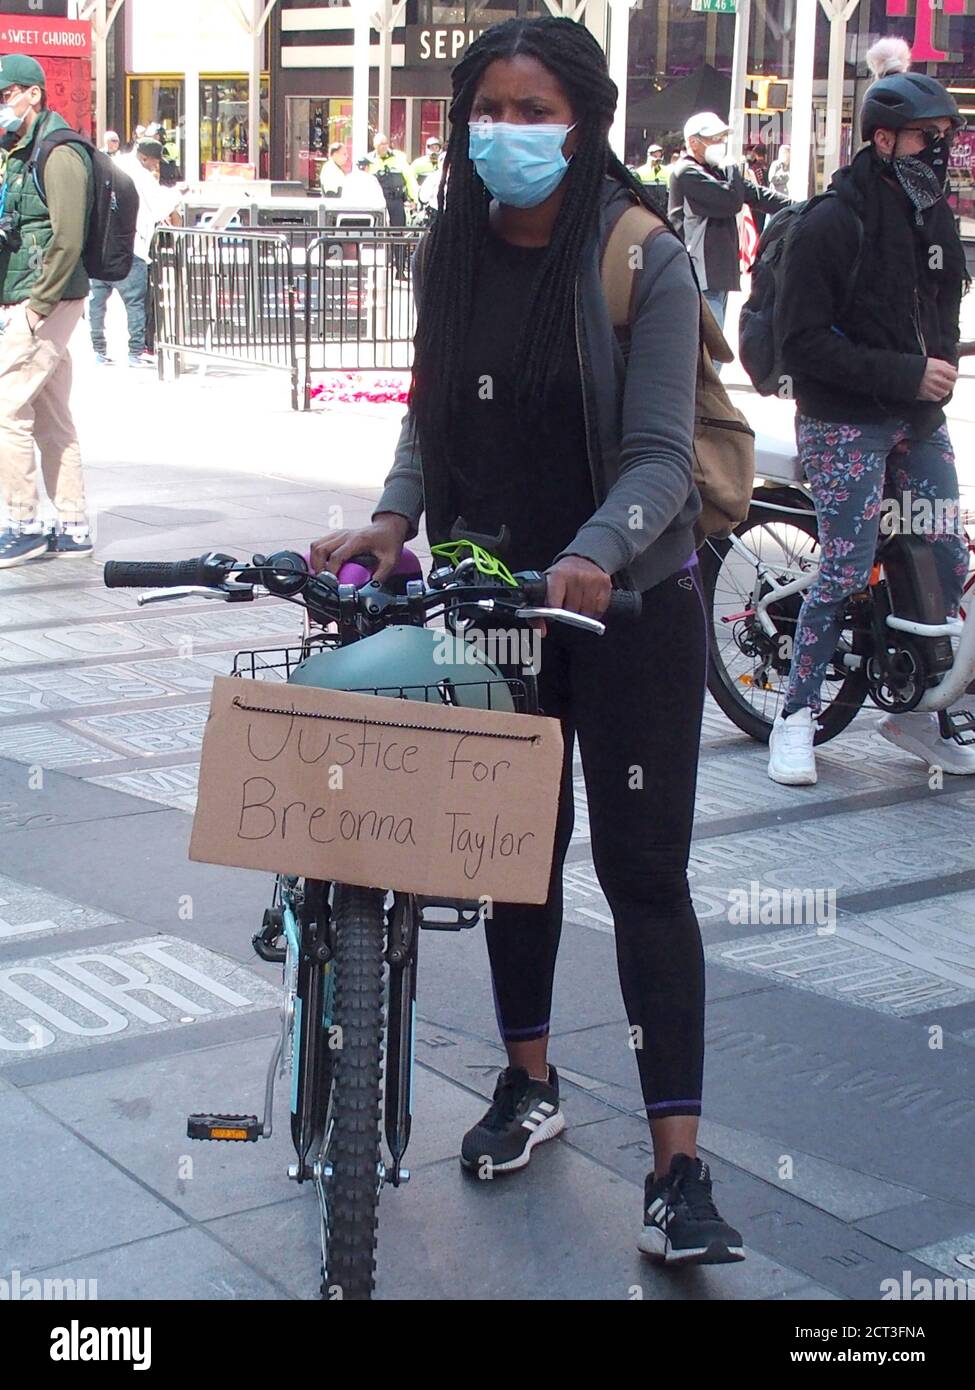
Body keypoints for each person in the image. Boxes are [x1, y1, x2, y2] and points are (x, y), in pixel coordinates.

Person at [309, 15, 744, 1266]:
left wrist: (597, 555)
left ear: (585, 119)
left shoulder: (641, 256)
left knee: (646, 877)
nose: (507, 131)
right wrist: (395, 521)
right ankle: (529, 1080)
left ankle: (678, 1168)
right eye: (487, 109)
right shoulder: (449, 244)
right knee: (515, 857)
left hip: (628, 612)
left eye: (533, 109)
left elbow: (663, 453)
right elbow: (428, 410)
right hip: (492, 610)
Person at [769, 40, 975, 783]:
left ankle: (915, 713)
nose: (941, 149)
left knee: (946, 556)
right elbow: (800, 344)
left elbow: (942, 310)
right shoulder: (832, 222)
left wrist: (937, 372)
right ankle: (794, 718)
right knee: (848, 565)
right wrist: (904, 373)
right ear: (883, 140)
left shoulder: (934, 218)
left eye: (946, 137)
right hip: (842, 418)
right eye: (928, 137)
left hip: (915, 419)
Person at [0, 55, 95, 566]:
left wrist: (36, 308)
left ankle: (23, 522)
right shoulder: (20, 150)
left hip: (48, 298)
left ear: (34, 93)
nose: (3, 104)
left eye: (8, 93)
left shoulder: (58, 153)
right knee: (51, 414)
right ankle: (74, 525)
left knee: (6, 408)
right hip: (35, 296)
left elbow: (67, 239)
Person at [668, 111, 789, 333]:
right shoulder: (687, 171)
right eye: (714, 139)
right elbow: (733, 200)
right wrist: (732, 167)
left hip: (716, 277)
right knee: (710, 354)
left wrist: (800, 206)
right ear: (694, 143)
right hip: (700, 277)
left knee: (712, 353)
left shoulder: (713, 171)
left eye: (722, 138)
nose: (721, 143)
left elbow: (754, 194)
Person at [89, 137, 179, 368]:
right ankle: (135, 352)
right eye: (156, 161)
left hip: (101, 243)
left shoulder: (112, 164)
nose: (156, 166)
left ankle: (97, 350)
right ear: (144, 157)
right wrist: (177, 194)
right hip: (130, 246)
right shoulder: (142, 177)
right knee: (135, 302)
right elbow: (159, 207)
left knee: (97, 300)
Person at [632, 142, 669, 215]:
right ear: (649, 156)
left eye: (659, 156)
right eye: (655, 156)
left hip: (662, 210)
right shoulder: (639, 172)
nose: (658, 159)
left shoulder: (666, 171)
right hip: (646, 210)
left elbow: (668, 192)